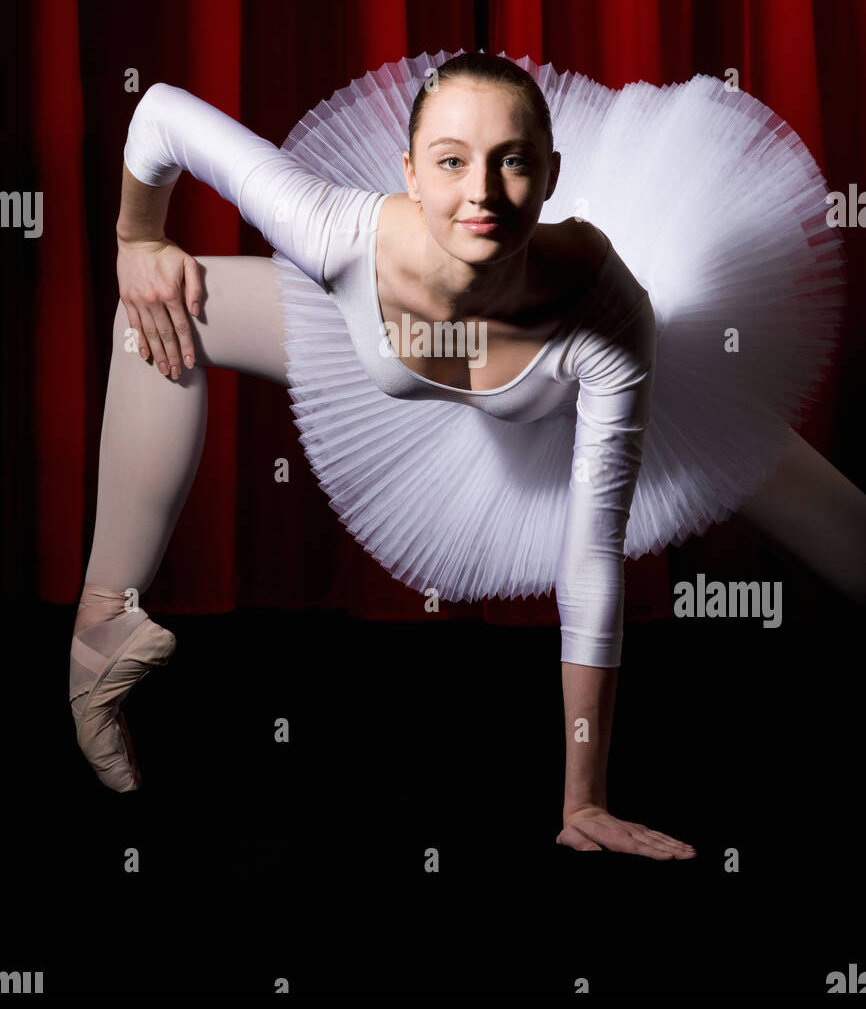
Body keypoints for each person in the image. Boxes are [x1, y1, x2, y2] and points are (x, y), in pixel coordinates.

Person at [69, 52, 865, 860]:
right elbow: (160, 113)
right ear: (411, 175)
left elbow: (590, 557)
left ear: (551, 175)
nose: (481, 192)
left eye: (511, 162)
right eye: (451, 162)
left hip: (609, 395)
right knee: (154, 317)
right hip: (385, 341)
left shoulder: (608, 311)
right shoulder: (337, 230)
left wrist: (582, 800)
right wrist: (139, 237)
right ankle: (100, 628)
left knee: (846, 537)